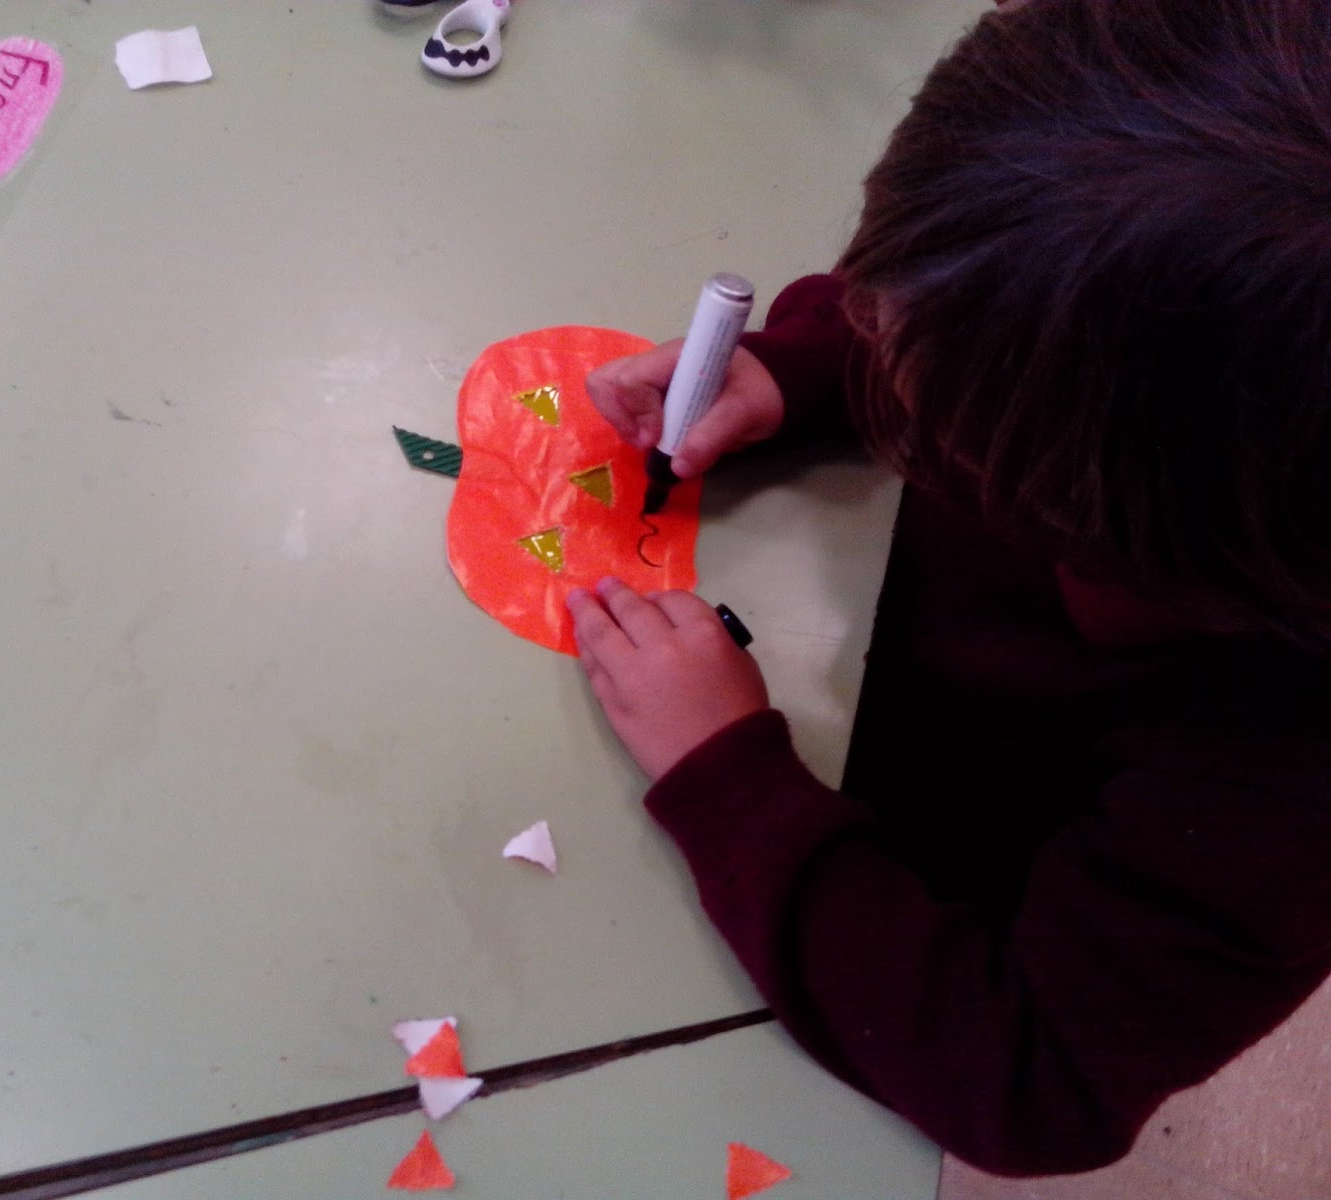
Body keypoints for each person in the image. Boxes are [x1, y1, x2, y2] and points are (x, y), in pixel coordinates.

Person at [565, 0, 1331, 1176]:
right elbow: (977, 304)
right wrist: (803, 372)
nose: (889, 368)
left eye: (944, 425)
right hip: (901, 674)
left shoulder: (1277, 792)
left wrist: (729, 780)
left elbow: (1028, 1078)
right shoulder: (1133, 360)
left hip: (926, 881)